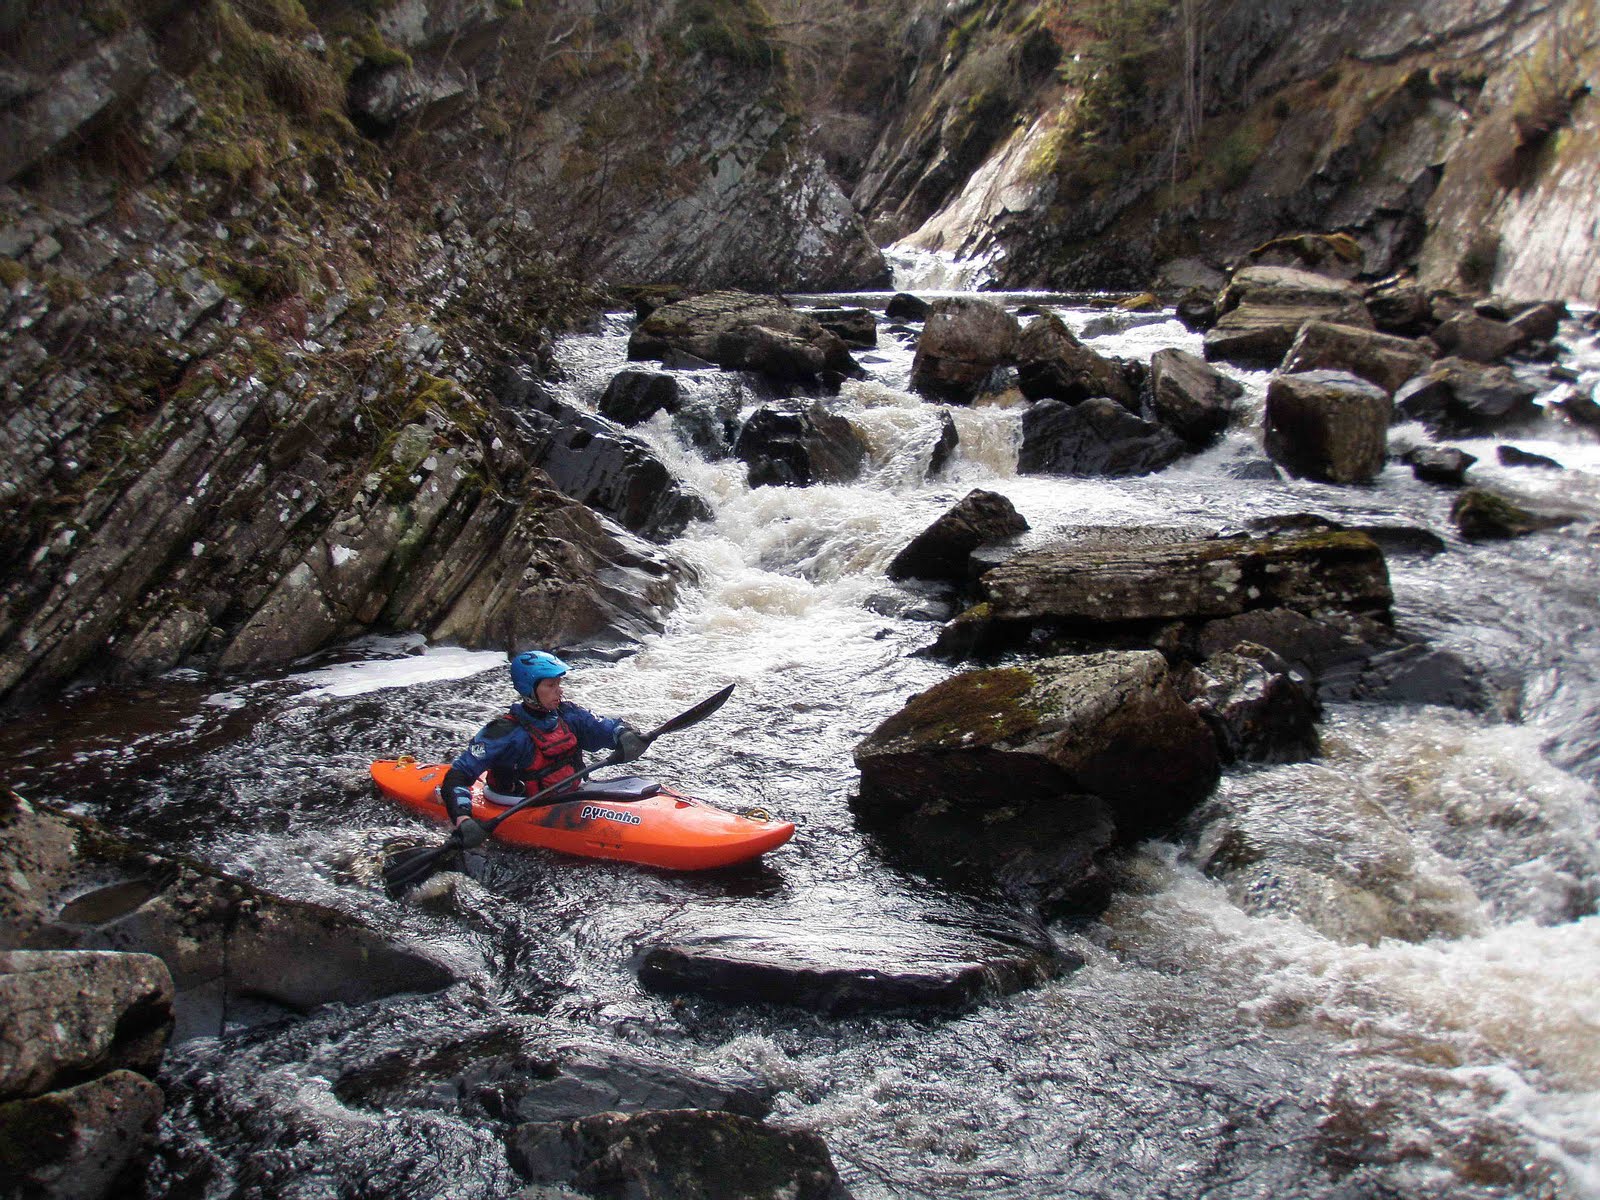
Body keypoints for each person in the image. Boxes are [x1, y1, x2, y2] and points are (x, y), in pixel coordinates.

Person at [438, 651, 648, 849]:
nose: (560, 690)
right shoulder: (504, 732)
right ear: (529, 689)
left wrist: (624, 734)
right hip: (520, 805)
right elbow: (457, 776)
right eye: (551, 685)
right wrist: (463, 820)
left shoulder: (568, 715)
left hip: (569, 796)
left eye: (559, 683)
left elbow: (605, 727)